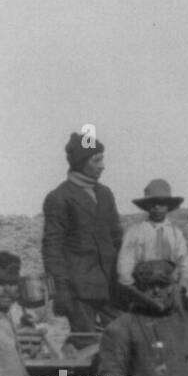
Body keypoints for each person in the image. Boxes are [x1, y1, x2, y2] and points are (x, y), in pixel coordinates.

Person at [41, 131, 124, 333]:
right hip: (78, 292)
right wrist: (60, 290)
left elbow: (118, 239)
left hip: (111, 288)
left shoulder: (105, 194)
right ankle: (67, 366)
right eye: (97, 160)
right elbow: (52, 249)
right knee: (85, 345)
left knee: (123, 342)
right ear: (82, 162)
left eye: (102, 159)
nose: (102, 165)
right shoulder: (59, 197)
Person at [117, 179, 188, 290]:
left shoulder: (175, 233)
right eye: (153, 203)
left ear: (168, 206)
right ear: (147, 206)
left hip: (169, 286)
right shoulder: (135, 232)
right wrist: (128, 284)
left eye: (161, 203)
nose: (157, 207)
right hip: (142, 287)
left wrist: (184, 283)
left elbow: (184, 261)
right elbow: (126, 260)